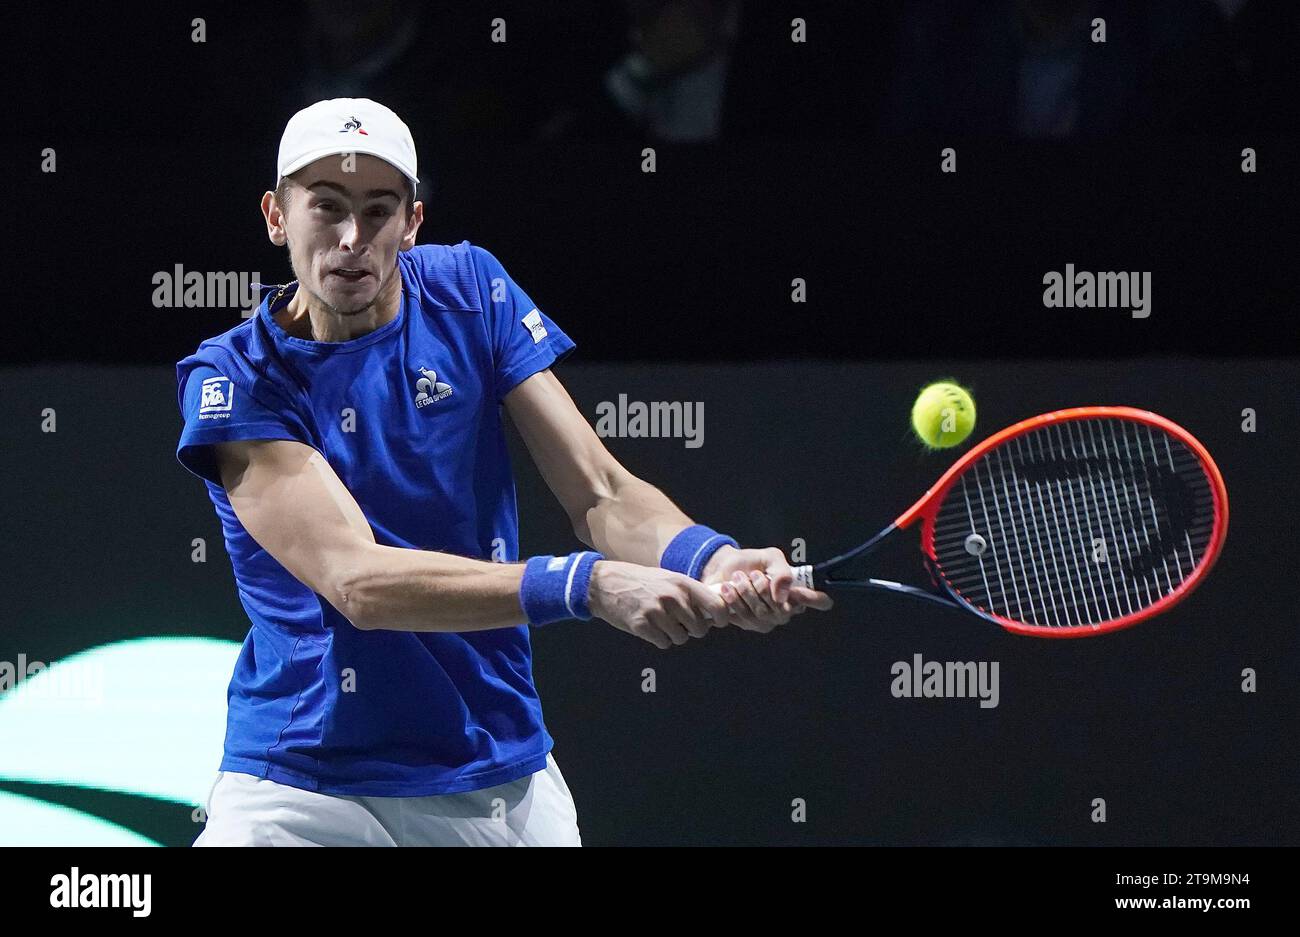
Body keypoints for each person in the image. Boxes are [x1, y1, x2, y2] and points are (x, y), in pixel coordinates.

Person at [176, 98, 832, 846]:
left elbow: (601, 490)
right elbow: (358, 581)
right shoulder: (233, 377)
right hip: (301, 789)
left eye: (379, 210)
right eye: (325, 207)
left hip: (492, 770)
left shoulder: (468, 290)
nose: (352, 238)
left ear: (412, 221)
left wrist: (709, 555)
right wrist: (585, 584)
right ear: (276, 216)